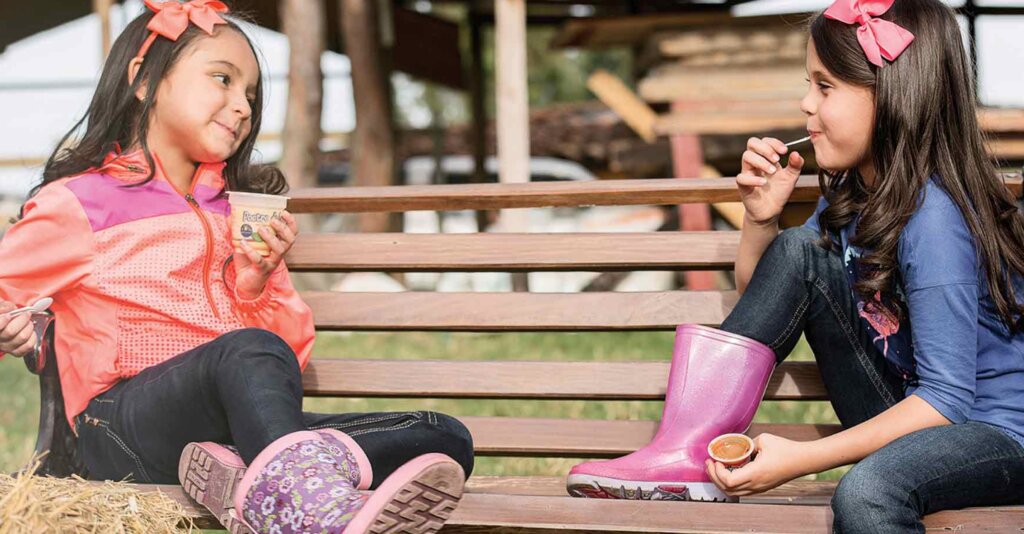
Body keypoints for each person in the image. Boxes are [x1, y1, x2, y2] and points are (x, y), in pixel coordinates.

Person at [0, 1, 473, 532]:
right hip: (121, 429)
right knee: (249, 351)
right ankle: (308, 508)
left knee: (440, 433)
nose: (242, 106)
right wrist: (11, 326)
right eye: (222, 79)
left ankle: (253, 481)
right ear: (143, 81)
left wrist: (253, 286)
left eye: (249, 94)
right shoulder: (81, 203)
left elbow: (282, 366)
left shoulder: (242, 215)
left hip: (226, 438)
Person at [567, 0, 1024, 531]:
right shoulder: (853, 194)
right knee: (795, 250)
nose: (806, 104)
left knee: (869, 494)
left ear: (894, 95)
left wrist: (800, 459)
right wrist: (761, 221)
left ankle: (688, 458)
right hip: (908, 410)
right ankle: (686, 455)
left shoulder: (936, 217)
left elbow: (946, 401)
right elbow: (766, 303)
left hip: (991, 433)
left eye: (824, 87)